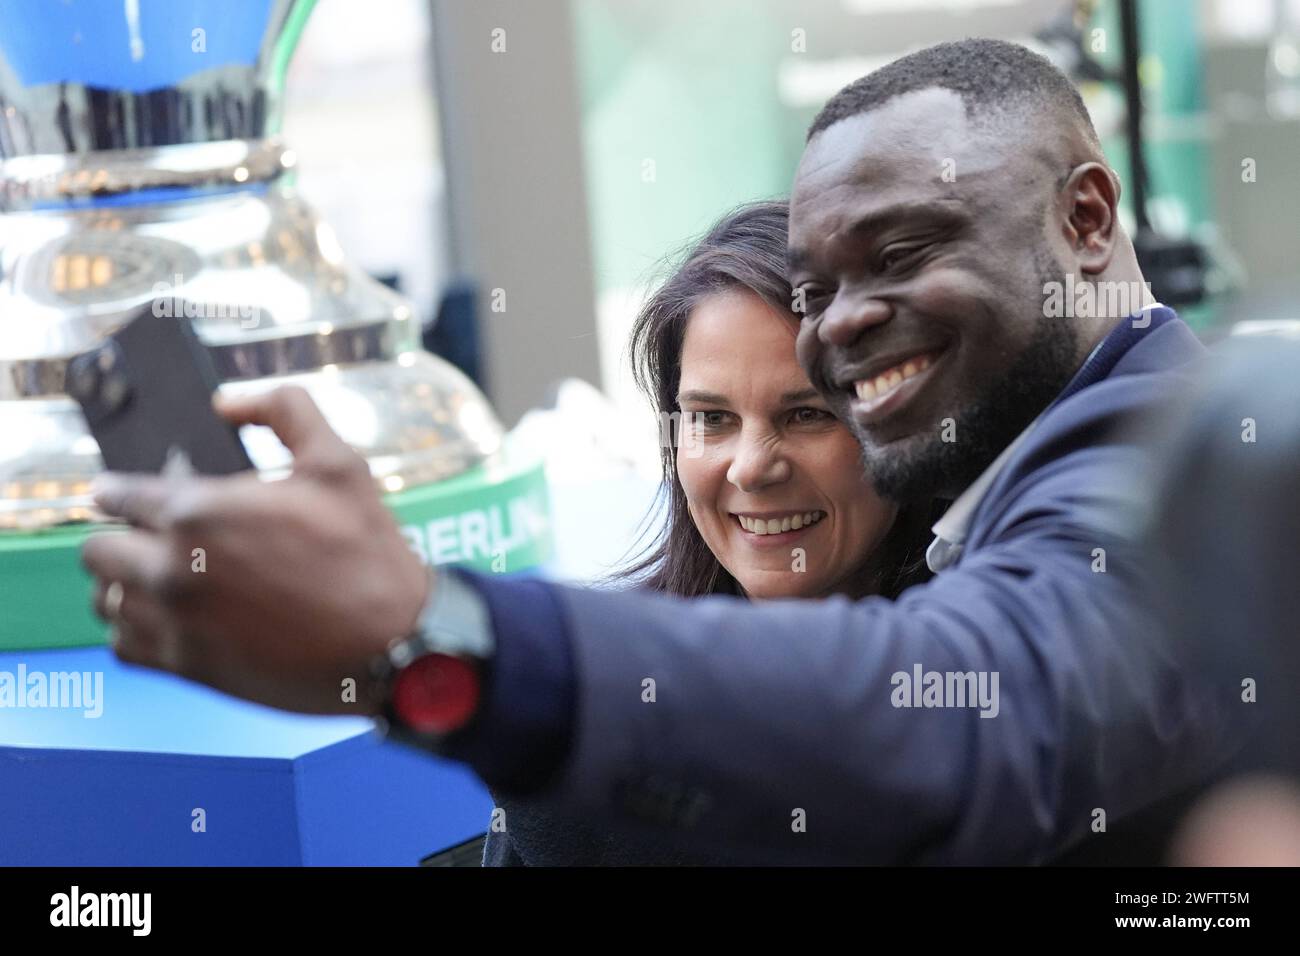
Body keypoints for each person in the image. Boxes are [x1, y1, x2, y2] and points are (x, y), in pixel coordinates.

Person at [82, 39, 1245, 864]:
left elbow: (973, 713)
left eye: (901, 249)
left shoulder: (1171, 475)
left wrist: (431, 632)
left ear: (1086, 219)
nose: (840, 326)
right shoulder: (1022, 460)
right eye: (817, 285)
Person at [483, 200, 934, 864]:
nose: (752, 468)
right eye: (711, 419)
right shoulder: (599, 721)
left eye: (808, 414)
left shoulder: (999, 686)